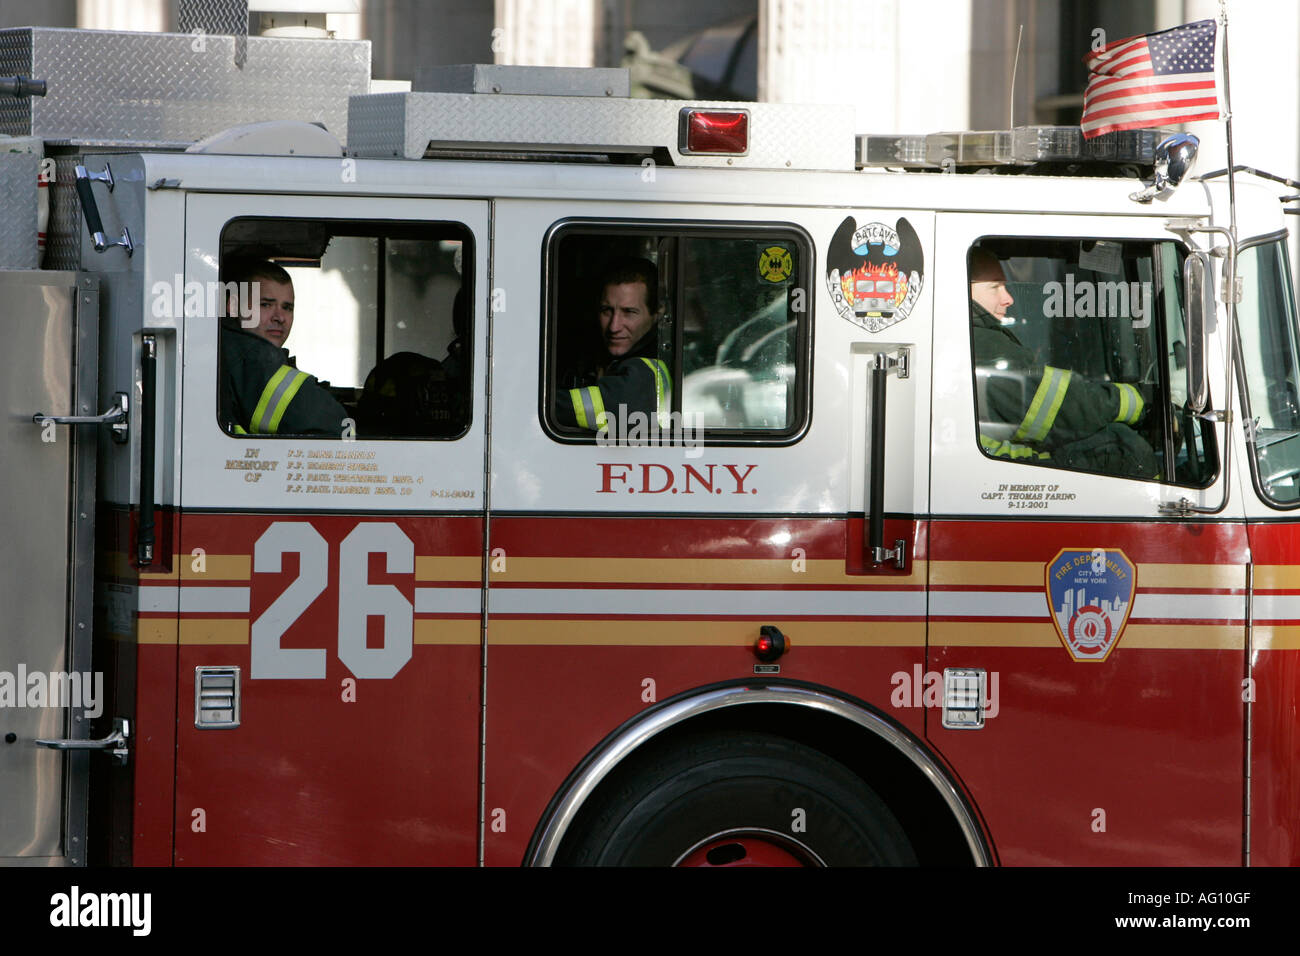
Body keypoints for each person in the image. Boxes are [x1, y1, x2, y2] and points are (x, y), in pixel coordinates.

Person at [969, 248, 1159, 478]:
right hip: (996, 473)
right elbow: (1064, 406)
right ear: (963, 291)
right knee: (1124, 449)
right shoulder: (985, 346)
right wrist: (1141, 405)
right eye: (994, 287)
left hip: (985, 470)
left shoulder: (973, 339)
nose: (1008, 298)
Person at [219, 259, 348, 436]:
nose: (279, 317)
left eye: (287, 307)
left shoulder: (225, 346)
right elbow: (339, 426)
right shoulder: (251, 359)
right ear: (233, 306)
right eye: (266, 304)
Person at [555, 256, 671, 432]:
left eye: (629, 312)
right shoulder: (602, 356)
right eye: (606, 311)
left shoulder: (646, 371)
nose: (614, 326)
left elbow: (579, 408)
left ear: (657, 314)